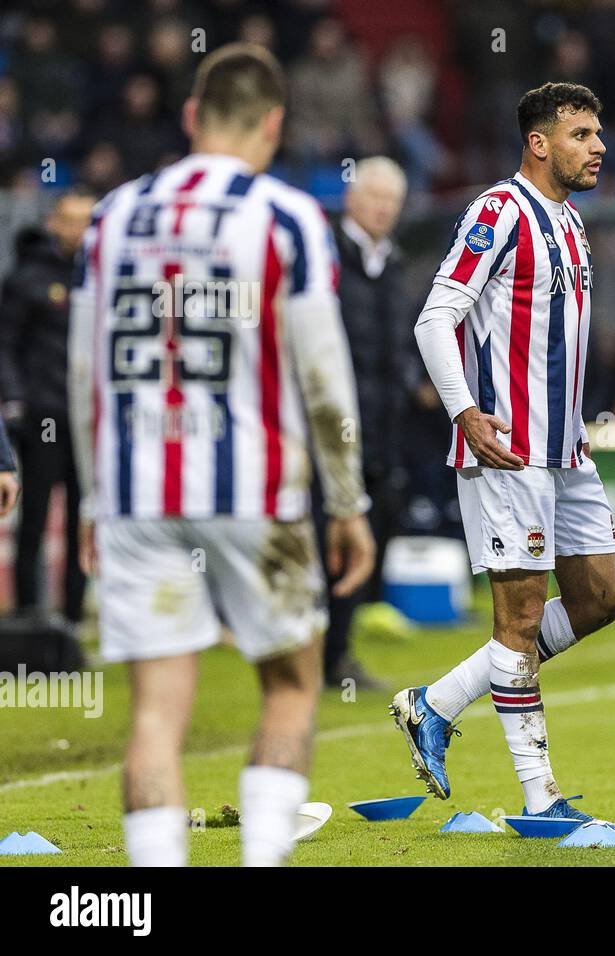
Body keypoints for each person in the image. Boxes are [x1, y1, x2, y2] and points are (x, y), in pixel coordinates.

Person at [68, 43, 374, 867]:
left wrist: (96, 497)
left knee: (156, 716)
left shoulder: (112, 216)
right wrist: (348, 502)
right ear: (274, 125)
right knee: (289, 685)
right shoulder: (286, 217)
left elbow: (83, 370)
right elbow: (323, 376)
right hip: (254, 490)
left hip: (137, 490)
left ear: (191, 116)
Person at [392, 82, 615, 822]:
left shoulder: (573, 223)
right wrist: (465, 412)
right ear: (540, 142)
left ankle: (434, 702)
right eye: (582, 134)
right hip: (509, 451)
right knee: (518, 623)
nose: (598, 147)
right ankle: (540, 797)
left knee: (599, 600)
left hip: (567, 448)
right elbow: (436, 320)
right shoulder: (499, 212)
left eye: (597, 133)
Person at [317, 155, 416, 690]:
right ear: (352, 198)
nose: (382, 208)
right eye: (374, 196)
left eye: (392, 201)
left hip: (381, 425)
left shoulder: (394, 264)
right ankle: (309, 652)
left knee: (364, 539)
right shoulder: (325, 255)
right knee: (322, 536)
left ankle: (337, 653)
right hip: (330, 424)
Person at [0, 188, 94, 626]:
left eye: (88, 220)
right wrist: (16, 399)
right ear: (54, 222)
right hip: (43, 416)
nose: (80, 229)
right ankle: (25, 619)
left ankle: (72, 622)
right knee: (33, 518)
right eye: (72, 219)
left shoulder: (101, 276)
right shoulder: (28, 278)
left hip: (87, 418)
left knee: (83, 518)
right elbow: (5, 346)